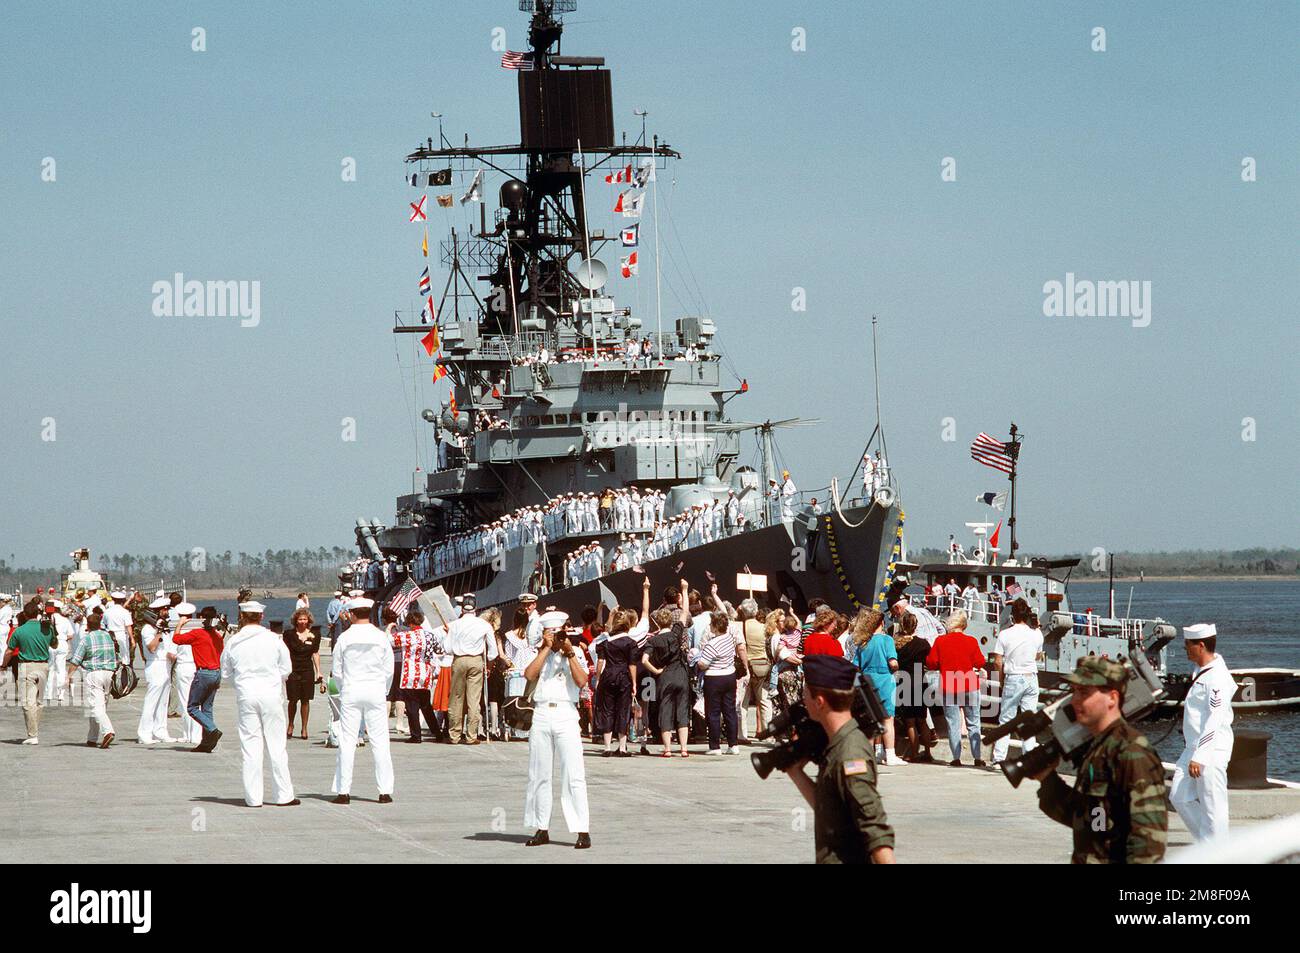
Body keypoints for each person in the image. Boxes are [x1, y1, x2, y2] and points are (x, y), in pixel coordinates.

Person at [1032, 657, 1167, 863]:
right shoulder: (1099, 748)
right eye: (1074, 691)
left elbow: (1149, 843)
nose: (1075, 700)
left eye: (1084, 692)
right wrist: (1047, 780)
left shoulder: (1131, 751)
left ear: (1112, 698)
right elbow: (1090, 820)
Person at [782, 654, 896, 864]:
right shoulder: (837, 744)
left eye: (805, 693)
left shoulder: (850, 753)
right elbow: (829, 808)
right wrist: (795, 771)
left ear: (819, 702)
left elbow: (875, 831)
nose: (802, 700)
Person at [522, 611, 592, 849]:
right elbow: (529, 675)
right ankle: (541, 827)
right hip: (541, 713)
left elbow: (582, 681)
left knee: (574, 774)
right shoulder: (539, 654)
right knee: (539, 774)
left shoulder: (576, 652)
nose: (555, 637)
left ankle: (582, 830)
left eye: (557, 631)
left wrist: (569, 652)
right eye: (550, 632)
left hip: (566, 713)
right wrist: (546, 649)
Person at [220, 601, 298, 808]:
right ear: (261, 617)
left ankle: (253, 798)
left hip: (246, 694)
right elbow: (286, 669)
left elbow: (226, 673)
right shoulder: (274, 639)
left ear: (243, 617)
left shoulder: (233, 642)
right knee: (277, 746)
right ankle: (284, 795)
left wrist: (241, 684)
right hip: (271, 695)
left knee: (250, 747)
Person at [1169, 623, 1235, 842]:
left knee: (1213, 805)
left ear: (1201, 645)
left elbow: (1214, 718)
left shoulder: (1216, 677)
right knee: (1179, 796)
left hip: (1212, 749)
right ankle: (1211, 846)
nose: (1185, 649)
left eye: (1188, 645)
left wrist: (1201, 755)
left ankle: (1217, 852)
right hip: (1193, 747)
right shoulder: (1201, 671)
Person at [330, 597, 395, 804]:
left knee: (347, 741)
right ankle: (384, 791)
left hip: (351, 690)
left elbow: (337, 670)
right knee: (380, 741)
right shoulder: (380, 637)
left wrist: (343, 689)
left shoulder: (344, 638)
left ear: (351, 614)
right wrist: (383, 690)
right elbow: (389, 669)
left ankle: (343, 791)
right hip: (375, 690)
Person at [594, 577, 651, 756]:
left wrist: (597, 679)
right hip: (624, 676)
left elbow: (600, 662)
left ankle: (607, 747)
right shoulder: (631, 641)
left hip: (608, 675)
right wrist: (634, 683)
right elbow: (632, 664)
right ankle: (623, 747)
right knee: (623, 710)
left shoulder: (605, 641)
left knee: (607, 709)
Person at [926, 609, 986, 766]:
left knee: (953, 722)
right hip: (969, 684)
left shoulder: (940, 641)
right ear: (964, 625)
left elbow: (931, 663)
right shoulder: (971, 641)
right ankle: (977, 757)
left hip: (949, 684)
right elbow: (980, 662)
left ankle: (956, 758)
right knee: (974, 721)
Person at [989, 598, 1043, 765]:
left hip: (1014, 677)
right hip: (1031, 677)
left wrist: (1001, 680)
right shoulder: (1037, 634)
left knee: (1006, 720)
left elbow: (997, 661)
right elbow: (1038, 656)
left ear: (1012, 615)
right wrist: (1038, 627)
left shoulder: (1005, 634)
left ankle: (999, 759)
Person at [850, 609, 905, 766]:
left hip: (867, 681)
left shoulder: (862, 642)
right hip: (884, 680)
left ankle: (871, 754)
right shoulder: (887, 640)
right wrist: (895, 668)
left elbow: (855, 666)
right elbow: (893, 662)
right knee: (888, 718)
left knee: (872, 719)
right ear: (882, 623)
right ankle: (891, 755)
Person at [641, 595, 692, 758]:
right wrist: (685, 590)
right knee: (682, 711)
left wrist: (655, 671)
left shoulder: (653, 640)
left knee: (665, 711)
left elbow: (644, 660)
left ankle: (668, 749)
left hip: (664, 676)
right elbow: (685, 612)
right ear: (670, 621)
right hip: (681, 674)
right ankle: (684, 749)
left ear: (657, 622)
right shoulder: (676, 633)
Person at [172, 604, 224, 752]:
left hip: (203, 673)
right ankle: (206, 743)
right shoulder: (217, 636)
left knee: (192, 707)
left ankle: (213, 730)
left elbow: (176, 639)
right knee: (207, 708)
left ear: (201, 618)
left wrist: (180, 624)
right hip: (216, 672)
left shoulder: (197, 634)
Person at [444, 606, 499, 744]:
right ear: (475, 609)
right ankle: (471, 735)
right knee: (474, 699)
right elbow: (493, 651)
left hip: (459, 659)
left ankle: (454, 735)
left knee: (456, 697)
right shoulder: (484, 624)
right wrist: (489, 661)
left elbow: (447, 648)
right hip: (476, 660)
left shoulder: (454, 624)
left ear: (462, 610)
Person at [695, 606, 745, 755]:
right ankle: (733, 744)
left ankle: (715, 746)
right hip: (729, 676)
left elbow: (703, 663)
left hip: (714, 678)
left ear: (715, 627)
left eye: (711, 625)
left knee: (713, 712)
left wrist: (696, 659)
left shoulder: (712, 644)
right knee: (730, 711)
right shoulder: (730, 639)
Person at [4, 608, 57, 744]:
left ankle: (33, 735)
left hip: (27, 666)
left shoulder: (20, 631)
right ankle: (34, 729)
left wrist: (3, 665)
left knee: (28, 702)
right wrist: (53, 630)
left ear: (25, 615)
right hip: (43, 666)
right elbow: (55, 645)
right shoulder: (46, 628)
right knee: (39, 701)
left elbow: (9, 651)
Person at [65, 611, 118, 747]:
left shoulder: (86, 639)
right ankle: (92, 738)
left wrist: (68, 676)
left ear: (88, 625)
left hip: (94, 674)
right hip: (109, 673)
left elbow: (76, 660)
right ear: (100, 624)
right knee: (100, 706)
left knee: (95, 706)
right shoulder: (108, 636)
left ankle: (108, 731)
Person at [392, 608, 445, 743]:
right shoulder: (430, 636)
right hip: (425, 673)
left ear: (409, 623)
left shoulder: (408, 636)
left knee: (412, 706)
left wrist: (389, 627)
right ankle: (436, 732)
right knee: (426, 706)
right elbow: (440, 650)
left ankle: (416, 735)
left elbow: (390, 641)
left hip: (410, 674)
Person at [137, 597, 180, 744]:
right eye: (164, 609)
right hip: (154, 665)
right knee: (152, 701)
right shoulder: (148, 629)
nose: (167, 611)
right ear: (157, 611)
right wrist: (159, 632)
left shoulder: (165, 629)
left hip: (165, 664)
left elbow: (167, 648)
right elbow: (151, 647)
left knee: (163, 701)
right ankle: (144, 733)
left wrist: (171, 655)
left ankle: (160, 731)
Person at [284, 608, 322, 740]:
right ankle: (290, 724)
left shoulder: (314, 634)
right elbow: (284, 653)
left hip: (307, 669)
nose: (302, 621)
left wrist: (319, 672)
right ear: (296, 620)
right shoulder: (288, 634)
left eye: (305, 619)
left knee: (305, 700)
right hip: (293, 669)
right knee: (292, 699)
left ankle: (304, 728)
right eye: (300, 619)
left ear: (308, 620)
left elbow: (315, 653)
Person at [737, 598, 772, 737]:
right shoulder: (764, 627)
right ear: (756, 611)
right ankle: (768, 732)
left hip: (745, 668)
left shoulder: (740, 627)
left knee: (743, 703)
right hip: (762, 666)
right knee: (764, 701)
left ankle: (742, 734)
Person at [102, 590, 134, 667]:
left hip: (110, 634)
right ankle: (124, 672)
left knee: (111, 655)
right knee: (124, 655)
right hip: (121, 634)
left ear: (113, 600)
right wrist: (132, 638)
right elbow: (128, 626)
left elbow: (104, 624)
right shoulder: (125, 612)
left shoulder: (107, 611)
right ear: (122, 601)